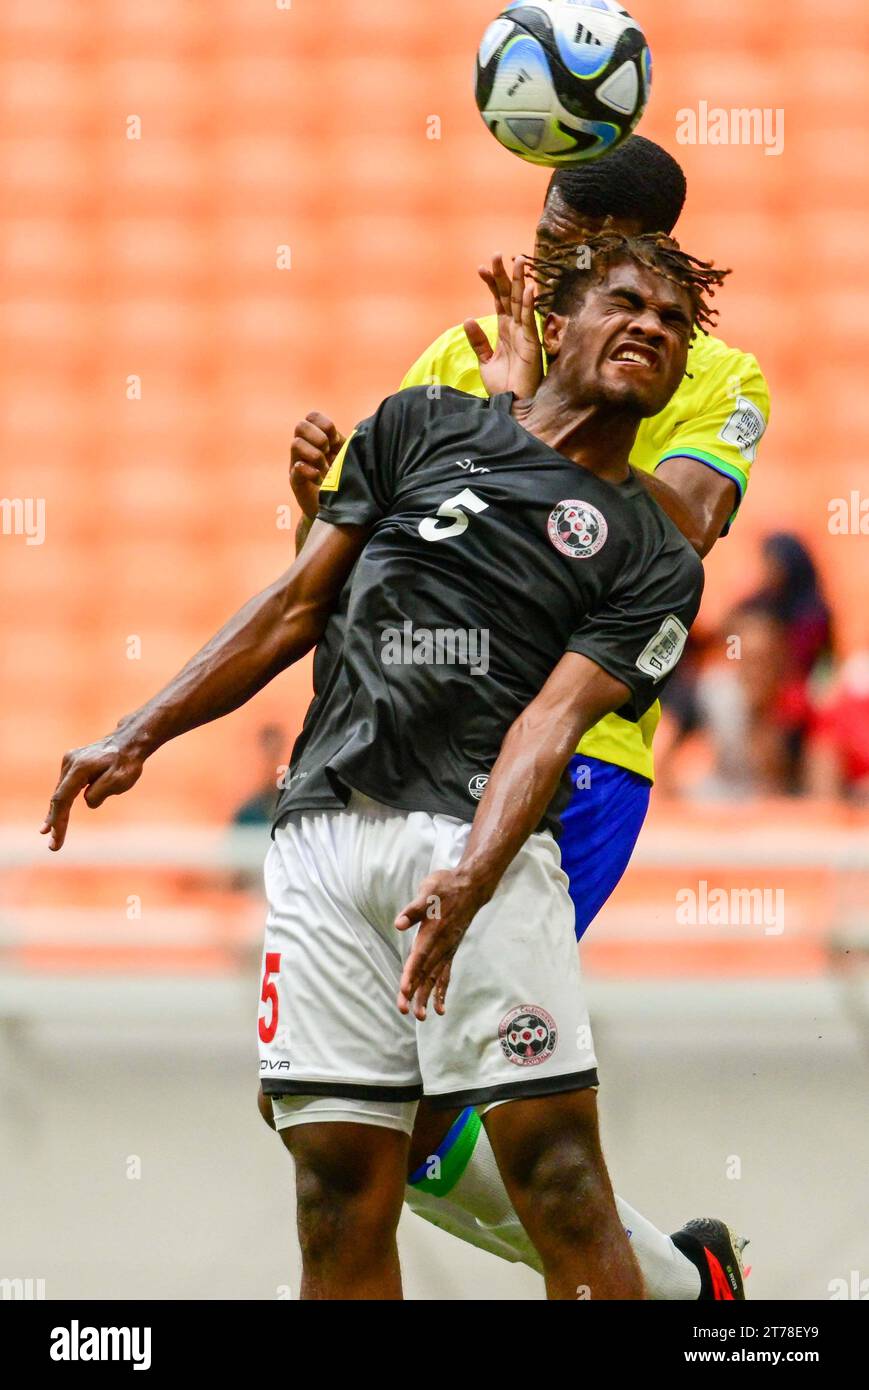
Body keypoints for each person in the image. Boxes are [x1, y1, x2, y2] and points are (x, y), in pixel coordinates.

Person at [45, 232, 714, 1299]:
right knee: (334, 1187)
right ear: (557, 324)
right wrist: (138, 728)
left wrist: (475, 872)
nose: (651, 327)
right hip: (316, 835)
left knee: (557, 1178)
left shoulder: (650, 552)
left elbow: (549, 722)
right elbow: (297, 603)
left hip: (467, 840)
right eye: (626, 302)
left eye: (674, 323)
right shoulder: (413, 425)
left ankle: (686, 1293)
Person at [286, 137, 762, 1299]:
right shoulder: (454, 353)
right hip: (393, 759)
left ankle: (663, 1286)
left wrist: (509, 431)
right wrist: (313, 508)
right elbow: (356, 581)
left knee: (466, 1134)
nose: (536, 248)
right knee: (345, 1136)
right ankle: (683, 1282)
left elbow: (681, 526)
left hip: (569, 760)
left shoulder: (712, 370)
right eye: (541, 227)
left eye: (564, 237)